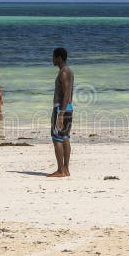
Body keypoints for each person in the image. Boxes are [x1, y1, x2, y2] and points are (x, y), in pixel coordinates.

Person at [48, 47, 73, 177]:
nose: (52, 59)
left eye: (53, 57)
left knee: (57, 139)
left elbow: (66, 93)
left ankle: (60, 170)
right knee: (65, 138)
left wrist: (61, 114)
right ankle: (66, 169)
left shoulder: (63, 72)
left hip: (61, 109)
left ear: (59, 58)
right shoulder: (68, 71)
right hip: (68, 108)